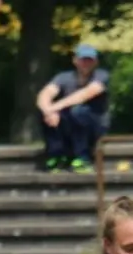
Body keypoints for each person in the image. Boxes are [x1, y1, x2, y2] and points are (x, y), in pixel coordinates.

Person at [36, 43, 110, 174]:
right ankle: (56, 156)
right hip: (70, 122)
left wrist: (54, 108)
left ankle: (83, 158)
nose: (86, 63)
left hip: (94, 124)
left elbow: (85, 94)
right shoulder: (63, 77)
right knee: (47, 115)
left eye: (90, 60)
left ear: (96, 62)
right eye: (83, 60)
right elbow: (45, 94)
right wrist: (48, 111)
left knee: (78, 112)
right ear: (75, 61)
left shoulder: (101, 76)